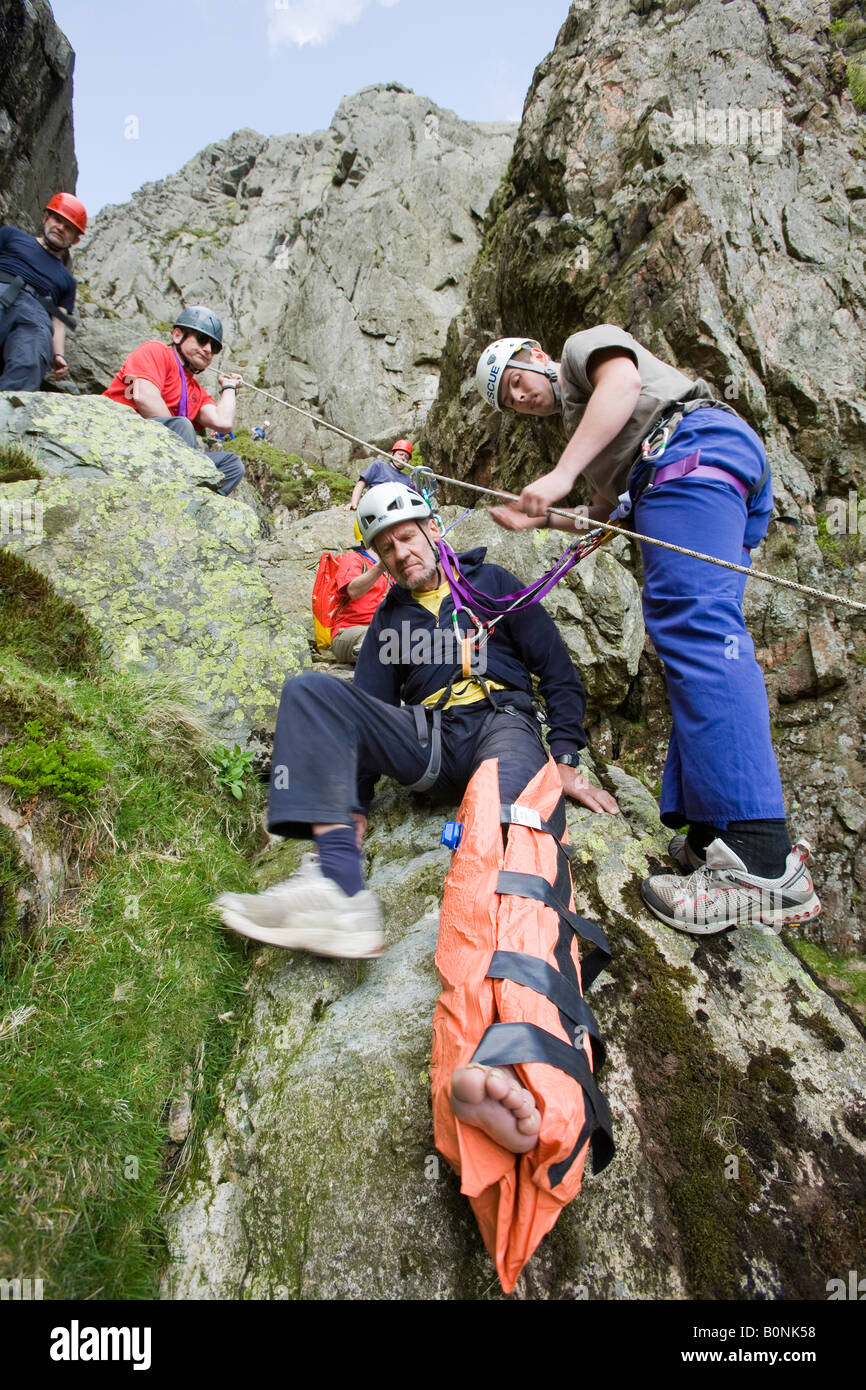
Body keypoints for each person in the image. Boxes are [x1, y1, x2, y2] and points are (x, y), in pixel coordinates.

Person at [215, 481, 619, 1153]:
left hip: (504, 726)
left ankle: (514, 1051)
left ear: (432, 528)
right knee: (312, 692)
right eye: (384, 547)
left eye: (405, 537)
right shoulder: (390, 624)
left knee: (509, 845)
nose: (399, 554)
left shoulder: (493, 584)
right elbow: (361, 718)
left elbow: (558, 674)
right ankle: (341, 888)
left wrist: (568, 755)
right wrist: (349, 806)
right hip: (431, 738)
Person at [476, 329, 821, 936]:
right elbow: (607, 516)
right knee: (700, 636)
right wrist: (542, 517)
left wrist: (559, 474)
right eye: (510, 402)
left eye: (515, 382)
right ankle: (715, 832)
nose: (521, 398)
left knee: (697, 630)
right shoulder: (590, 432)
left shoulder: (585, 354)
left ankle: (761, 861)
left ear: (535, 357)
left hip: (690, 456)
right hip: (696, 473)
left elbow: (625, 382)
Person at [103, 306, 245, 495]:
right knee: (182, 426)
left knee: (233, 464)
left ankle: (195, 502)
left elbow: (223, 422)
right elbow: (145, 397)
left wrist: (229, 387)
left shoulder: (195, 390)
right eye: (202, 339)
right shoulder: (156, 352)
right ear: (178, 335)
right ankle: (182, 494)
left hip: (164, 453)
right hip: (122, 434)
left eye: (215, 347)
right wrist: (180, 444)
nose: (208, 349)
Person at [0, 193, 86, 391]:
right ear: (45, 217)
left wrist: (58, 354)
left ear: (75, 240)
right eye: (57, 220)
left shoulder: (67, 281)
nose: (61, 228)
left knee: (30, 361)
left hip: (36, 314)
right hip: (2, 287)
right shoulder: (11, 235)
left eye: (69, 227)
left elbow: (59, 321)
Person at [329, 520, 391, 664]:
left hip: (382, 630)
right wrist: (381, 566)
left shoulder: (392, 570)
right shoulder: (353, 559)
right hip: (348, 632)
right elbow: (353, 590)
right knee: (374, 636)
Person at [345, 439, 416, 511]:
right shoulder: (379, 466)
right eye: (400, 454)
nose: (403, 458)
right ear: (392, 454)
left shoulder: (407, 479)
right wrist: (353, 503)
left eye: (406, 457)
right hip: (377, 508)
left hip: (398, 512)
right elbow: (361, 484)